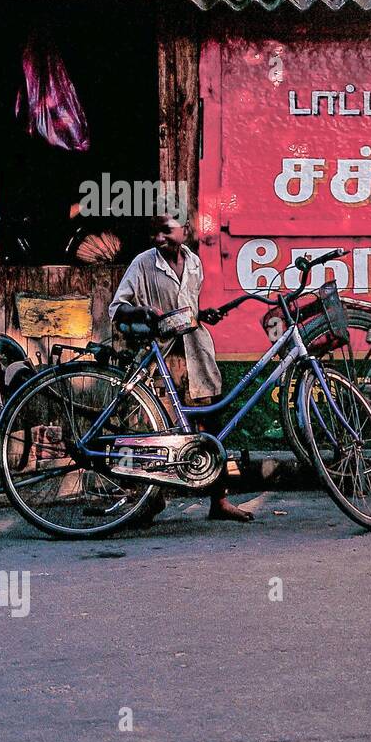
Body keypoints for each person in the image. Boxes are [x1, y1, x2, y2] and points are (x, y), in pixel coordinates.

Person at [108, 212, 255, 523]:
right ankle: (148, 501)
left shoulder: (194, 262)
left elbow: (190, 306)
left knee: (211, 424)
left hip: (196, 353)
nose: (159, 239)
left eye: (166, 231)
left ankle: (219, 500)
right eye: (155, 233)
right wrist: (143, 311)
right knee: (158, 434)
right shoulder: (143, 263)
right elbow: (117, 308)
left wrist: (204, 314)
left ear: (185, 231)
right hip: (163, 356)